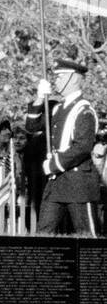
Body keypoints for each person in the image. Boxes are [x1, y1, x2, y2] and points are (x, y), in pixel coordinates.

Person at [25, 57, 100, 235]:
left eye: (60, 77)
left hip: (78, 184)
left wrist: (53, 164)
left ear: (73, 79)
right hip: (56, 184)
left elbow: (82, 147)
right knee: (44, 234)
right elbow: (31, 127)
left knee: (87, 236)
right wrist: (38, 99)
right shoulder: (57, 109)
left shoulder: (84, 110)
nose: (55, 81)